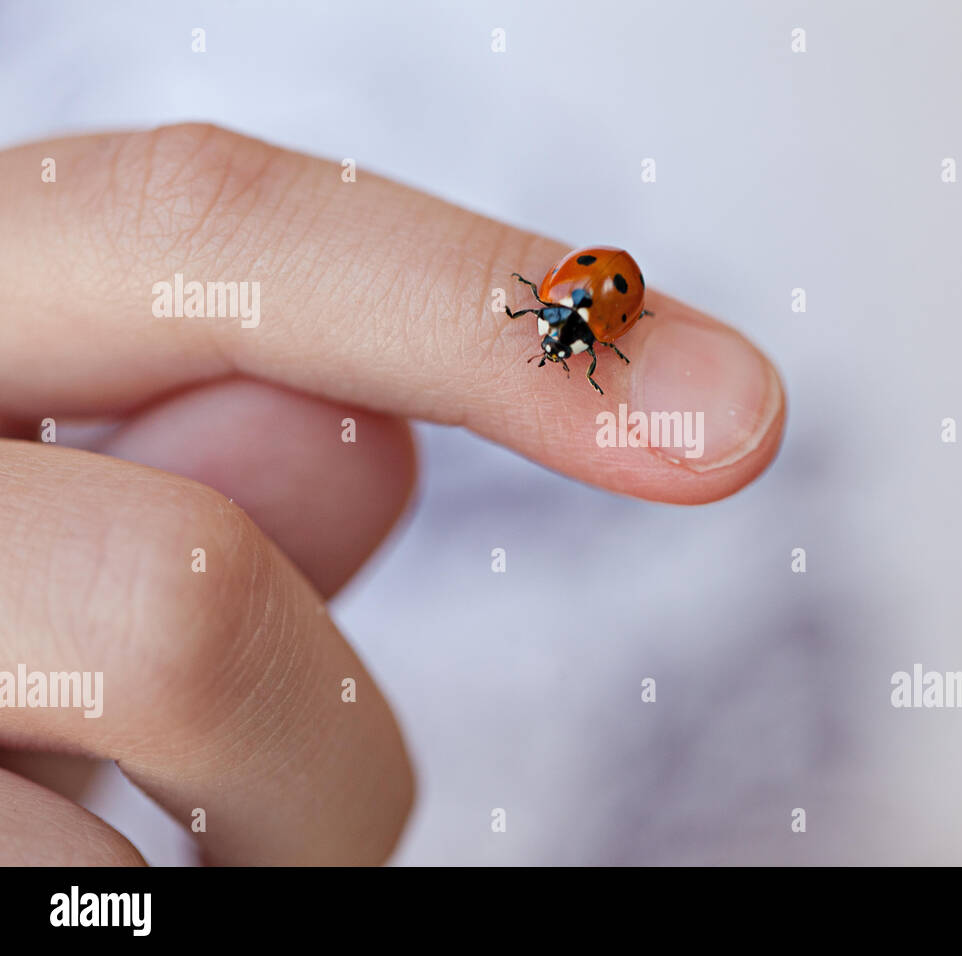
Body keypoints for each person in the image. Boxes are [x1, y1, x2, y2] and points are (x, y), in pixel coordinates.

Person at [0, 123, 786, 865]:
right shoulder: (578, 320)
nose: (553, 346)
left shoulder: (578, 318)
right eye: (556, 336)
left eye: (560, 340)